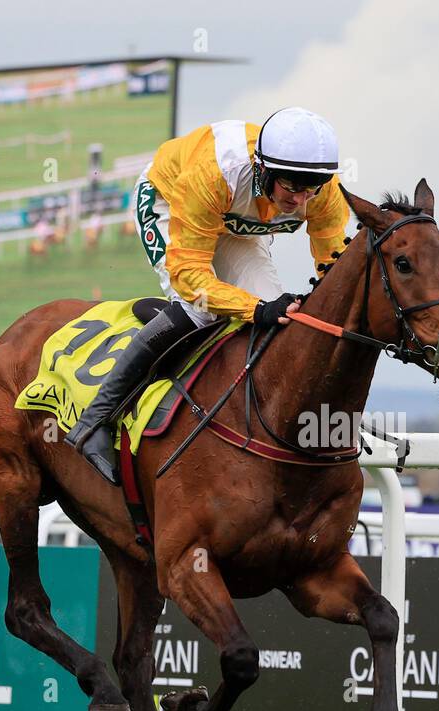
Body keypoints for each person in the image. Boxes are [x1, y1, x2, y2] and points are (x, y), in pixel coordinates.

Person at [64, 107, 349, 483]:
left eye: (310, 190)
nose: (300, 201)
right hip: (171, 200)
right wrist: (255, 308)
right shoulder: (213, 172)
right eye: (291, 187)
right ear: (263, 170)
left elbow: (334, 271)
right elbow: (191, 277)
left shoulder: (324, 193)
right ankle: (95, 420)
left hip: (232, 221)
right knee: (200, 310)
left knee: (277, 318)